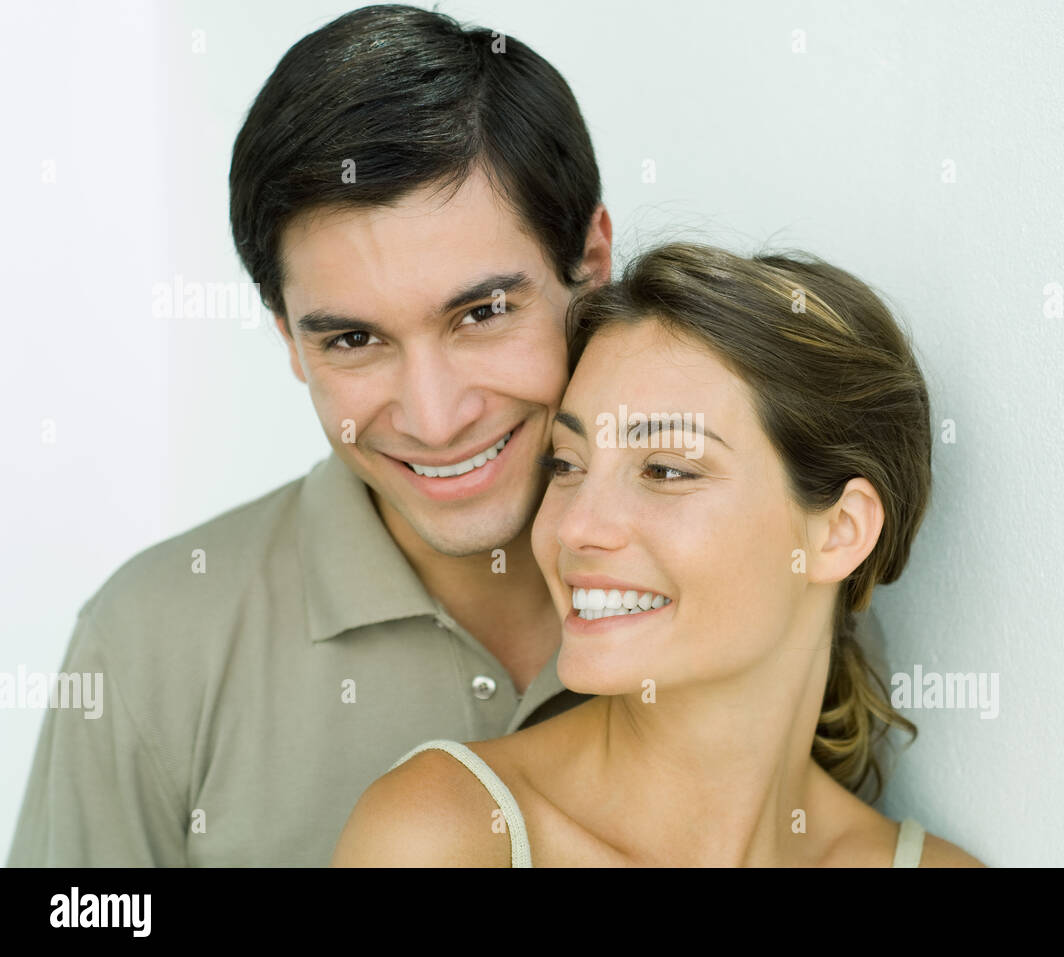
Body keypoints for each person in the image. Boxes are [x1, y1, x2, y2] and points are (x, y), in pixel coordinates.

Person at [4, 5, 890, 866]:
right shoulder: (149, 644)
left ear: (588, 265)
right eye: (353, 339)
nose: (433, 416)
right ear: (289, 341)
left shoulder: (758, 591)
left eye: (483, 312)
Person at [331, 242, 985, 867]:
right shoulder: (449, 835)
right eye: (566, 463)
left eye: (667, 470)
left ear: (839, 530)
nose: (576, 525)